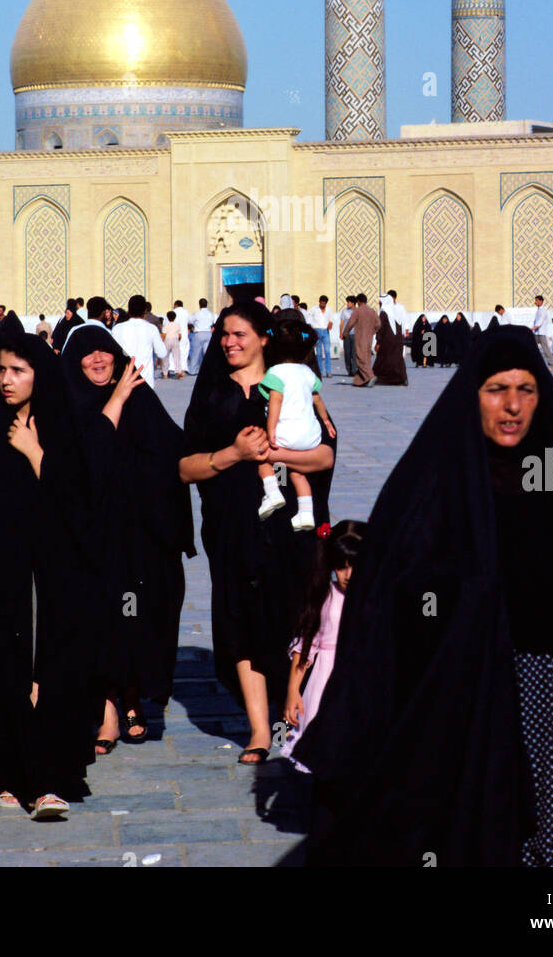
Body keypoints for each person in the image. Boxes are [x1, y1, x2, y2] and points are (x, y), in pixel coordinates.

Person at [294, 326, 553, 867]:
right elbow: (388, 620)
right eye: (496, 389)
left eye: (526, 390)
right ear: (472, 394)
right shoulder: (434, 488)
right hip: (463, 703)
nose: (512, 406)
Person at [179, 302, 336, 764]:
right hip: (234, 530)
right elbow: (186, 467)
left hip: (295, 528)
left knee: (298, 617)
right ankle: (259, 730)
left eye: (240, 334)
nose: (229, 342)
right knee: (242, 623)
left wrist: (279, 455)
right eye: (224, 334)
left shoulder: (291, 385)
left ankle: (296, 713)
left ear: (264, 338)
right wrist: (235, 453)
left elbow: (326, 454)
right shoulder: (210, 397)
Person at [0, 334, 97, 817]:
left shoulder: (63, 426)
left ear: (39, 374)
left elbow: (79, 501)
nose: (6, 380)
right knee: (10, 668)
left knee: (52, 670)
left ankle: (50, 779)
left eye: (18, 371)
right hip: (6, 571)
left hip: (55, 572)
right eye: (1, 370)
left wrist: (34, 453)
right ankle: (13, 772)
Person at [61, 326, 195, 751]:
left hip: (140, 533)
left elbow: (172, 449)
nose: (98, 360)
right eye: (88, 354)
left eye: (105, 352)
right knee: (100, 619)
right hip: (89, 535)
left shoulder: (139, 397)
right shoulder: (65, 404)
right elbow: (79, 461)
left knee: (138, 618)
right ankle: (107, 711)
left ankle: (134, 699)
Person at [281, 520, 366, 774]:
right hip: (326, 683)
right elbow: (306, 647)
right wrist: (293, 691)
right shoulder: (326, 597)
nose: (348, 575)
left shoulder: (374, 598)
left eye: (355, 567)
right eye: (341, 567)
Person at [256, 312, 336, 531]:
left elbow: (275, 401)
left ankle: (272, 492)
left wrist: (271, 430)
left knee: (264, 461)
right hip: (310, 436)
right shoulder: (307, 372)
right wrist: (327, 421)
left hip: (286, 434)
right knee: (298, 471)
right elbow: (317, 399)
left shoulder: (276, 372)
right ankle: (306, 512)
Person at [112, 295, 167, 390]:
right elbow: (162, 353)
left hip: (124, 382)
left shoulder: (118, 328)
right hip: (146, 382)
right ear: (145, 310)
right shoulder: (151, 329)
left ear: (128, 311)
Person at [373, 294, 407, 385]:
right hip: (398, 341)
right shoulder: (396, 312)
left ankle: (377, 378)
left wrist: (378, 342)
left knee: (382, 360)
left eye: (380, 301)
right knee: (397, 360)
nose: (379, 303)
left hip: (387, 341)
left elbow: (381, 329)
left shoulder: (384, 313)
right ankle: (402, 378)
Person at [346, 293, 379, 388]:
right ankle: (360, 380)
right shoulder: (372, 311)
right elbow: (378, 324)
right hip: (369, 339)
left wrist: (345, 333)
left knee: (360, 359)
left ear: (359, 302)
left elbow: (350, 324)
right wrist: (373, 331)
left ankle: (370, 376)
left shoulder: (357, 311)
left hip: (360, 338)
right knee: (367, 358)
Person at [308, 296, 335, 380]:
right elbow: (308, 316)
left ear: (326, 303)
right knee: (319, 353)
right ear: (319, 302)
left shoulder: (329, 310)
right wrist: (312, 326)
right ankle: (320, 371)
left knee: (327, 352)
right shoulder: (314, 309)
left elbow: (331, 319)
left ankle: (328, 371)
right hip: (317, 330)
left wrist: (330, 323)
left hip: (326, 331)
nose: (322, 304)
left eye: (324, 302)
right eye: (321, 302)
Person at [188, 298, 215, 374]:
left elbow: (190, 320)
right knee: (208, 353)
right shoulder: (211, 314)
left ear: (199, 304)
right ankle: (209, 370)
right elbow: (214, 321)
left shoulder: (197, 314)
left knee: (196, 353)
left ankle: (193, 370)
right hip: (208, 333)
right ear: (207, 304)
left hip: (199, 333)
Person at [531, 294, 553, 371]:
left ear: (541, 301)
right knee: (532, 348)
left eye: (536, 300)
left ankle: (551, 365)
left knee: (545, 350)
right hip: (536, 333)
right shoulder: (538, 310)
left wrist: (533, 328)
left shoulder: (543, 310)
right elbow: (535, 321)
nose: (535, 302)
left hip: (541, 333)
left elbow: (540, 321)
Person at [162, 310, 184, 378]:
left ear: (168, 318)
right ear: (175, 317)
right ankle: (178, 372)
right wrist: (178, 340)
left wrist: (162, 342)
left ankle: (165, 373)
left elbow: (163, 335)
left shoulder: (166, 325)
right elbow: (180, 335)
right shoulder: (177, 325)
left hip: (167, 340)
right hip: (175, 339)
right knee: (177, 357)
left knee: (165, 357)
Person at [338, 296, 356, 376]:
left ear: (353, 303)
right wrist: (341, 333)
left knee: (354, 353)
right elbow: (341, 323)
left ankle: (355, 370)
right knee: (347, 353)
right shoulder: (344, 311)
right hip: (347, 334)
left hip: (355, 334)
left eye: (349, 302)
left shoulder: (357, 311)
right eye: (347, 302)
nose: (347, 304)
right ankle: (349, 370)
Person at [173, 299, 190, 374]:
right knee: (184, 352)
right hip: (184, 335)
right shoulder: (186, 312)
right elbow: (189, 321)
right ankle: (183, 368)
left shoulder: (174, 312)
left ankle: (176, 369)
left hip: (175, 334)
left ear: (176, 305)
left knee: (175, 352)